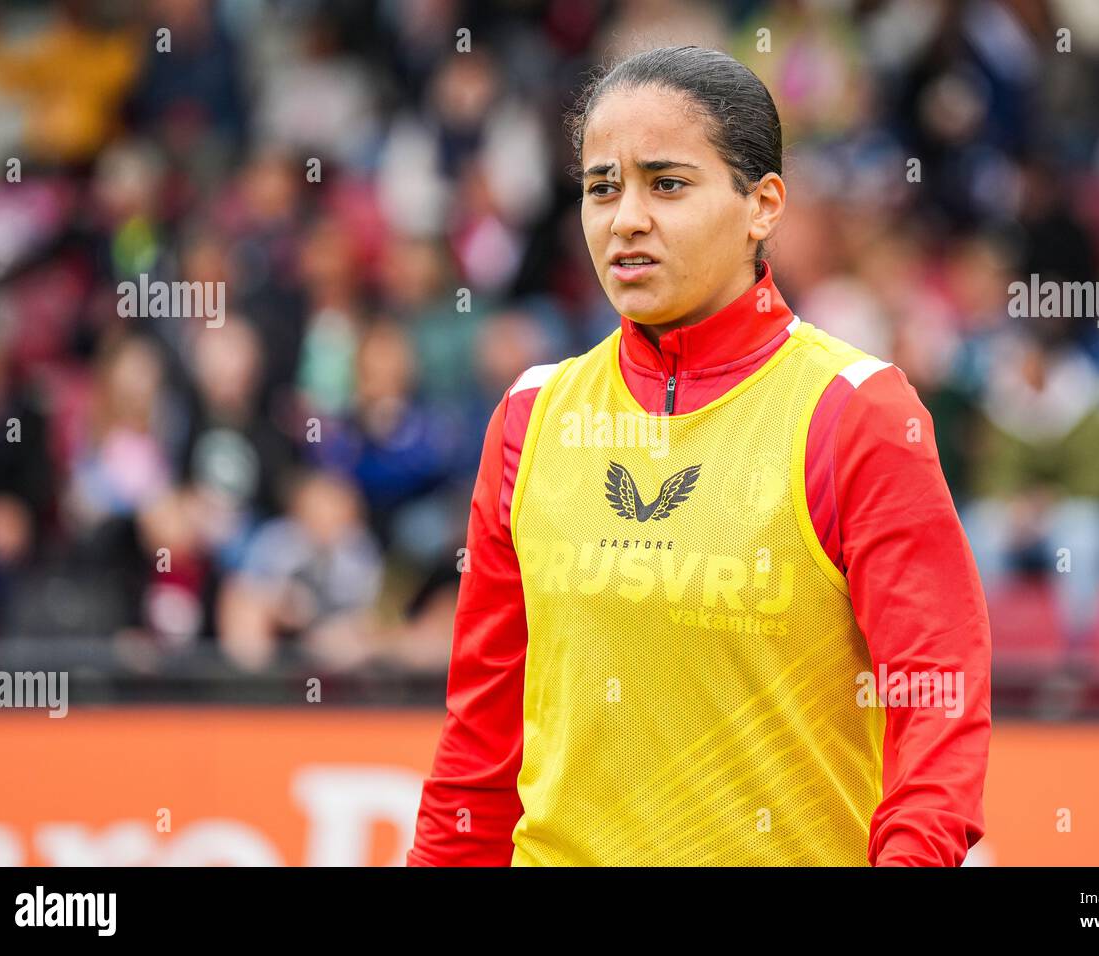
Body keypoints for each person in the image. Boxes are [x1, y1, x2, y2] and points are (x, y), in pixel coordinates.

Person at [408, 46, 991, 866]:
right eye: (602, 186)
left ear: (763, 206)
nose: (626, 218)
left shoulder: (857, 413)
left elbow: (937, 700)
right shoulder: (530, 417)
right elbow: (478, 748)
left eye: (667, 183)